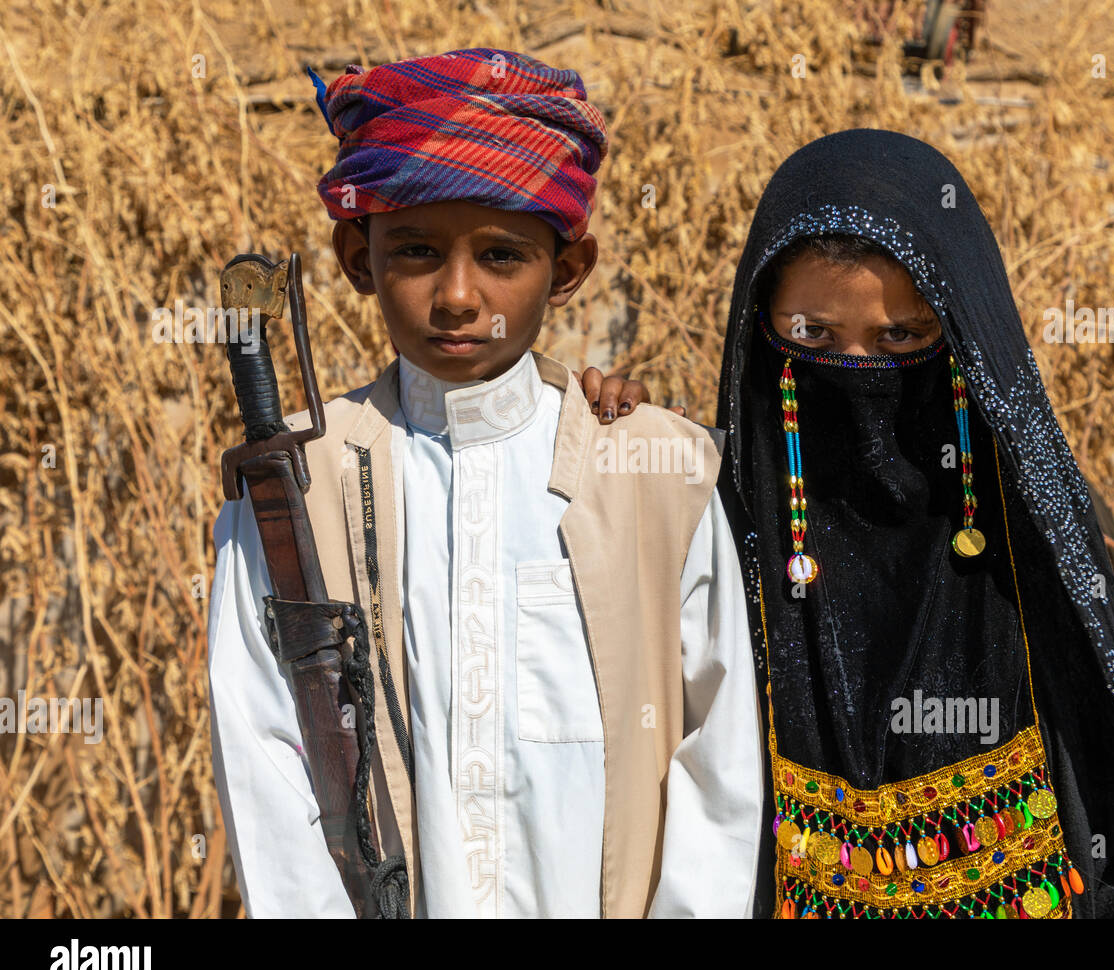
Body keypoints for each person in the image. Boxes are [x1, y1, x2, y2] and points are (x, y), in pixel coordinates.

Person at [206, 48, 764, 918]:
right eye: (418, 250)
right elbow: (263, 753)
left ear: (567, 271)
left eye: (502, 255)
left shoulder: (658, 474)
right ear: (359, 257)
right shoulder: (292, 497)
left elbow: (718, 760)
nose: (458, 295)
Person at [601, 129, 1114, 918]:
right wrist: (611, 432)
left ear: (960, 333)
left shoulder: (1028, 514)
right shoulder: (718, 510)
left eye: (902, 338)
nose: (856, 370)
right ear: (760, 328)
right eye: (812, 335)